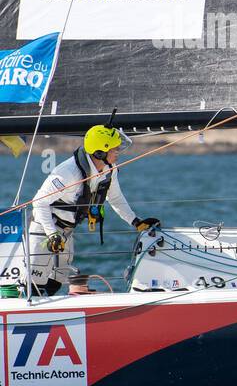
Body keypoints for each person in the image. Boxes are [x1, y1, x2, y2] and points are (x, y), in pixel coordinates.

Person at [27, 125, 160, 296]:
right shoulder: (67, 172)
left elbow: (116, 198)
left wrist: (136, 222)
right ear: (99, 153)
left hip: (66, 231)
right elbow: (39, 202)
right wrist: (52, 233)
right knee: (33, 285)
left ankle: (49, 319)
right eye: (114, 148)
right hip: (45, 228)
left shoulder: (109, 170)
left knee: (56, 281)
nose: (118, 151)